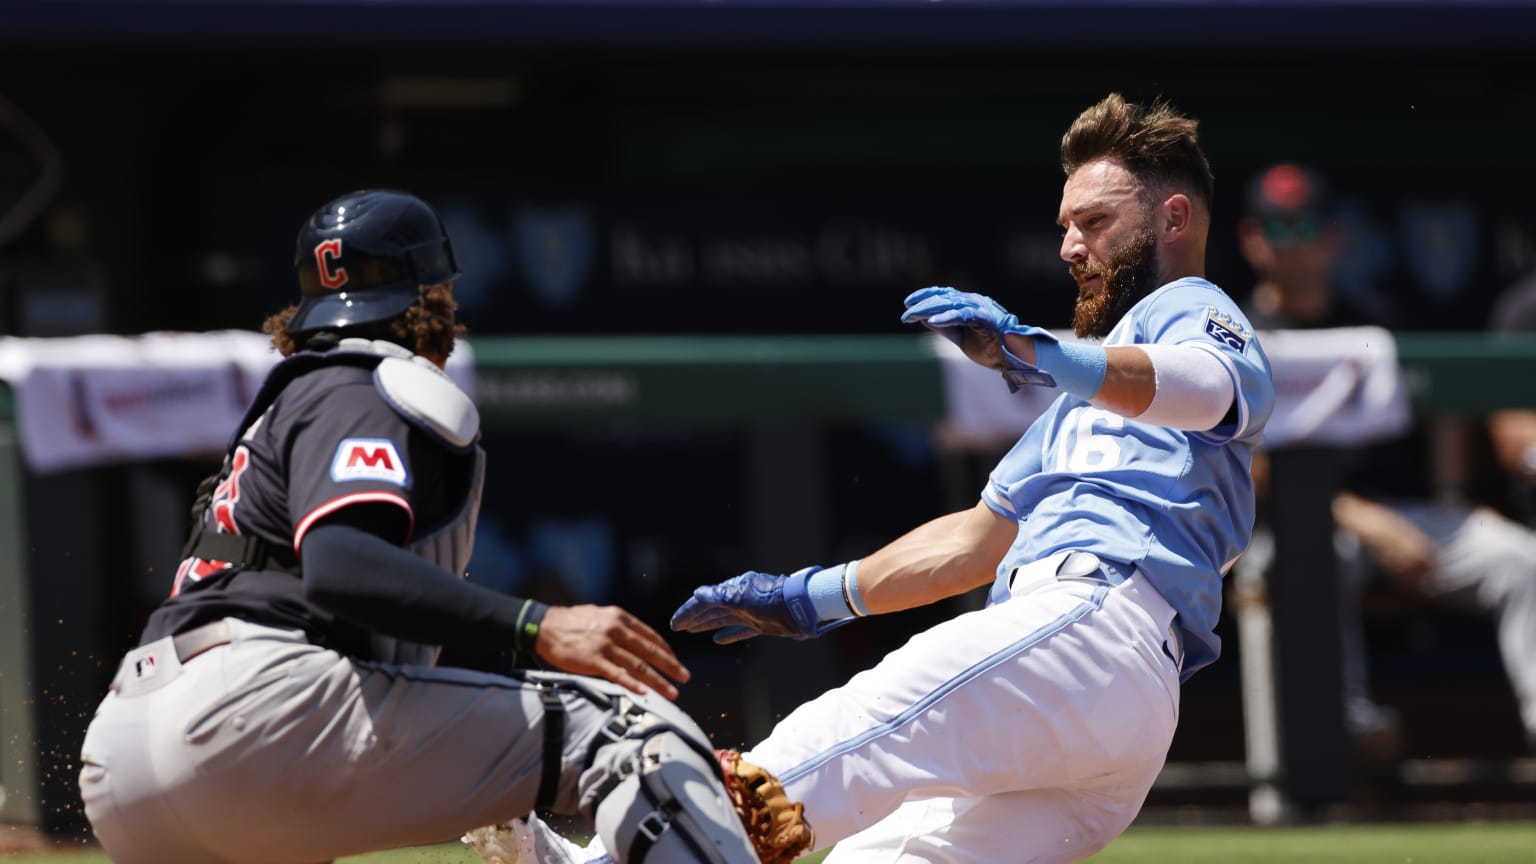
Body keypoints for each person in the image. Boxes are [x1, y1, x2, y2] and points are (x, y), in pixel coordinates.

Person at [76, 189, 810, 864]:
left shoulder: (282, 409)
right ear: (429, 295)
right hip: (254, 712)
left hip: (130, 758)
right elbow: (342, 567)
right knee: (635, 733)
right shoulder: (361, 384)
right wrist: (540, 625)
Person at [668, 93, 1275, 863]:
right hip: (1102, 701)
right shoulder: (1068, 413)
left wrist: (1044, 357)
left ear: (1174, 219)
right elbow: (975, 540)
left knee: (829, 748)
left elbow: (1206, 385)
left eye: (1093, 222)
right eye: (1064, 227)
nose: (1069, 246)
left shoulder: (1193, 309)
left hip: (1098, 626)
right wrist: (809, 597)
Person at [1236, 162, 1536, 755]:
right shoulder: (1232, 334)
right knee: (1307, 559)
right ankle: (1345, 732)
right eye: (1280, 230)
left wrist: (1448, 500)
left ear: (1334, 238)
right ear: (1252, 240)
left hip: (1411, 514)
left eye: (1308, 229)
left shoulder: (1375, 319)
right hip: (1305, 522)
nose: (1296, 247)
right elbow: (1246, 463)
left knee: (1523, 562)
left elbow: (1444, 408)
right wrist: (1364, 519)